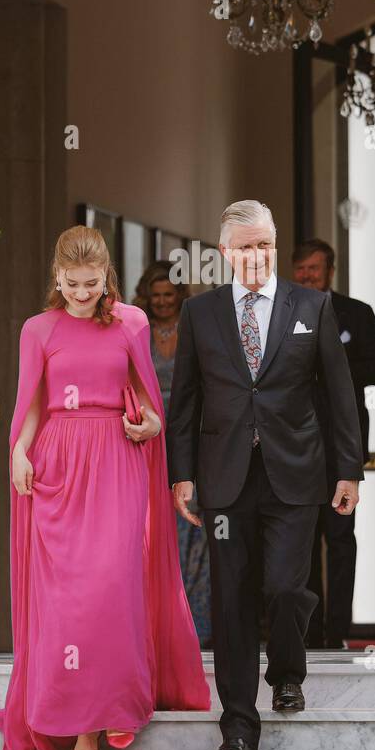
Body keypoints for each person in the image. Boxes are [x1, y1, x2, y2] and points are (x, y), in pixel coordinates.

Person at [0, 225, 210, 750]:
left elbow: (151, 400)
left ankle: (118, 707)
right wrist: (19, 451)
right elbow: (33, 400)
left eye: (92, 283)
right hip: (58, 461)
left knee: (116, 584)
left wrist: (151, 426)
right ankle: (84, 728)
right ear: (57, 277)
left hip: (116, 459)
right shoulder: (37, 329)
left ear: (107, 276)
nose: (83, 294)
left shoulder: (132, 322)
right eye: (74, 284)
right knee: (69, 600)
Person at [167, 200, 364, 750]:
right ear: (224, 252)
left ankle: (286, 668)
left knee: (284, 586)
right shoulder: (200, 314)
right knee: (231, 600)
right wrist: (181, 474)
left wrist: (348, 469)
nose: (255, 257)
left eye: (264, 246)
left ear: (272, 248)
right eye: (244, 247)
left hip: (296, 474)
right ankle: (237, 726)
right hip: (226, 478)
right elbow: (185, 401)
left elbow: (339, 395)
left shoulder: (313, 305)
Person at [291, 238, 375, 649]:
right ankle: (311, 632)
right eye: (301, 270)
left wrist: (335, 365)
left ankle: (339, 632)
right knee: (303, 540)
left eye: (314, 269)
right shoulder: (283, 312)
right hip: (295, 446)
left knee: (340, 537)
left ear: (330, 270)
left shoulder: (356, 313)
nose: (307, 277)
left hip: (342, 444)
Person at [133, 261, 212, 647]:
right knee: (148, 520)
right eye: (156, 295)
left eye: (169, 295)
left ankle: (194, 623)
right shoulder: (135, 330)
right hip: (145, 437)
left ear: (180, 295)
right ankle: (152, 622)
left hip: (189, 433)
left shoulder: (195, 327)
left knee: (191, 521)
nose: (163, 302)